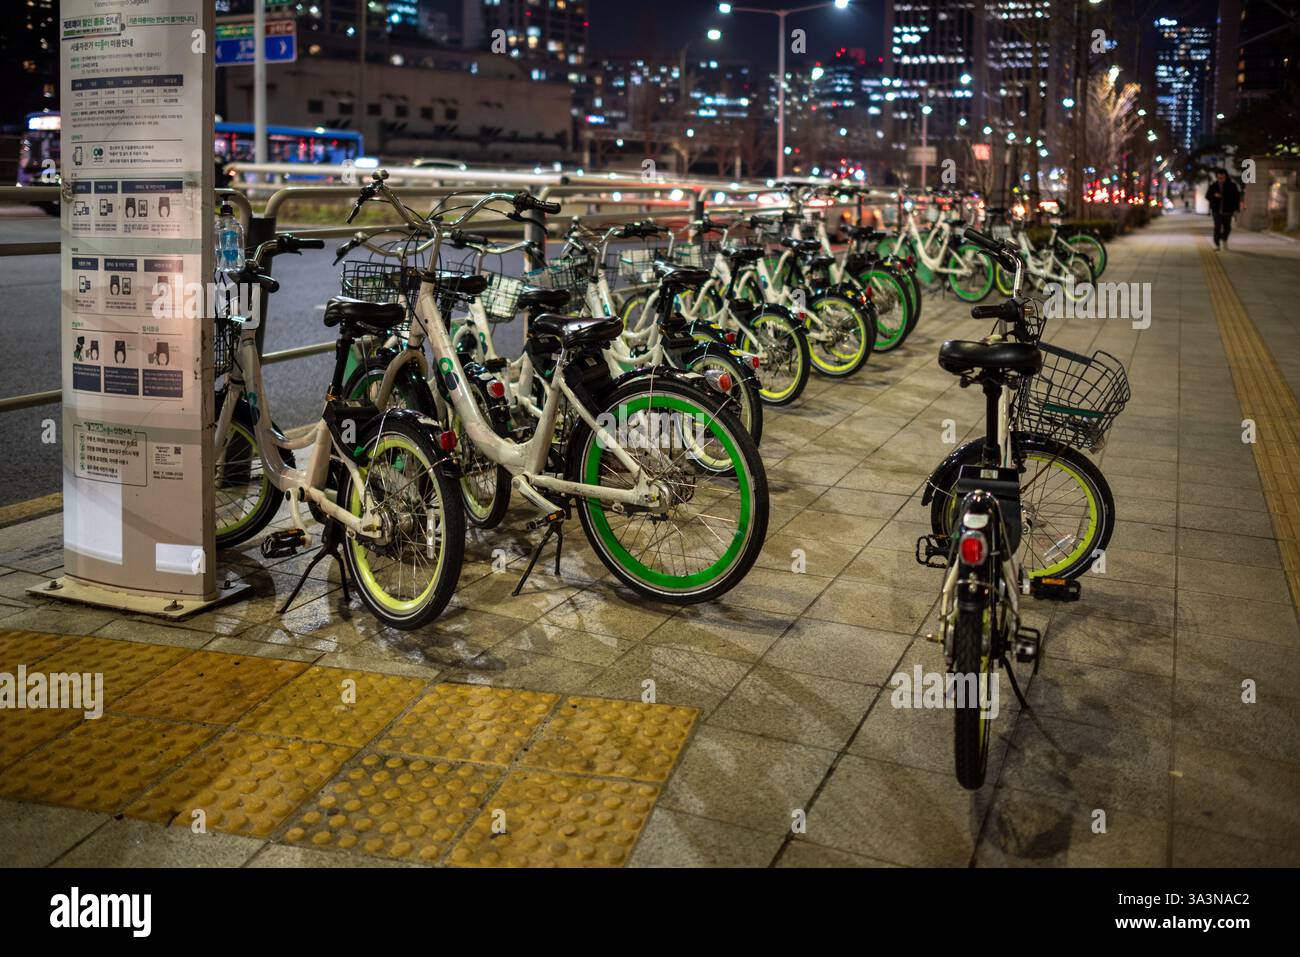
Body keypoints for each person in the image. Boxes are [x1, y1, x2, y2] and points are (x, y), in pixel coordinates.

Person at [1206, 169, 1241, 250]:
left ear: (1226, 177)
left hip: (1228, 210)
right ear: (1217, 177)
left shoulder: (1232, 186)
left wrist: (1236, 209)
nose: (1221, 180)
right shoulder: (1213, 185)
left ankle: (1224, 239)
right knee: (1217, 226)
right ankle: (1217, 244)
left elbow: (1236, 198)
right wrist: (1214, 196)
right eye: (1219, 178)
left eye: (1222, 178)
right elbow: (1207, 196)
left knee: (1227, 228)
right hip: (1216, 210)